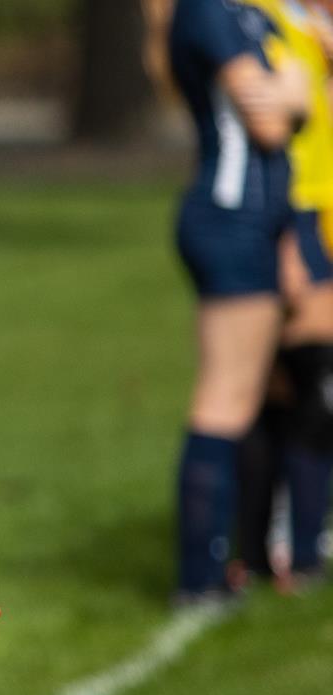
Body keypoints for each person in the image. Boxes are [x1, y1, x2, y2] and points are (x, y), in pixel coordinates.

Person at [167, 0, 311, 600]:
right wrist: (298, 89)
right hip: (229, 219)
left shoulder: (258, 14)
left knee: (251, 397)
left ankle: (230, 563)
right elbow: (270, 122)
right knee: (225, 400)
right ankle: (199, 580)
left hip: (260, 223)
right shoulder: (206, 11)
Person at [234, 0, 333, 589]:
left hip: (315, 216)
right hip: (288, 219)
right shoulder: (261, 19)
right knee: (288, 389)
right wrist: (286, 242)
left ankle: (289, 547)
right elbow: (271, 129)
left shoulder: (305, 25)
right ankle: (276, 549)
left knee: (299, 390)